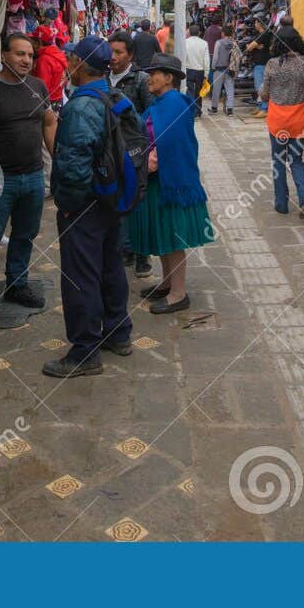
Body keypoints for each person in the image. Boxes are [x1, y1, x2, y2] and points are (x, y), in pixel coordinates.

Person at [44, 37, 135, 378]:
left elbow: (73, 163)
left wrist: (68, 204)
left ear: (80, 64)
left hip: (85, 204)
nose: (67, 63)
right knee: (110, 266)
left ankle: (84, 352)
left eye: (71, 58)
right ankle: (118, 333)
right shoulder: (115, 96)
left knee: (80, 276)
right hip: (111, 199)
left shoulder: (81, 106)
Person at [0, 33, 56, 322]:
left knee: (25, 234)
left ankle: (17, 285)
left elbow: (49, 123)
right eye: (19, 54)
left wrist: (58, 159)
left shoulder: (38, 86)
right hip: (0, 179)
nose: (26, 60)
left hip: (33, 176)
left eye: (30, 55)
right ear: (3, 56)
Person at [130, 53, 215, 312]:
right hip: (158, 180)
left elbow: (172, 141)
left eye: (154, 73)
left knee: (174, 237)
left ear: (168, 78)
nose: (149, 78)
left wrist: (152, 158)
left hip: (172, 181)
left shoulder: (175, 103)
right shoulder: (160, 103)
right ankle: (167, 283)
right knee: (164, 233)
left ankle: (179, 294)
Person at [259, 26, 304, 216]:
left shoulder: (272, 64)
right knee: (296, 159)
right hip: (300, 119)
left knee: (278, 161)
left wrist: (268, 94)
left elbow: (264, 94)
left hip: (278, 120)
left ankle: (281, 204)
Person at [107, 31, 153, 277]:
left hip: (136, 153)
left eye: (119, 52)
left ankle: (142, 255)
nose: (113, 57)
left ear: (130, 55)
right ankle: (125, 249)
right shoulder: (103, 78)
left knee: (138, 204)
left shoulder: (141, 80)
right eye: (110, 52)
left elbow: (150, 117)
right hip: (111, 153)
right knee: (118, 201)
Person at [244, 16, 276, 113]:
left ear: (259, 24)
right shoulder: (264, 34)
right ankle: (260, 106)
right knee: (260, 86)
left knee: (260, 86)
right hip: (262, 63)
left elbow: (249, 47)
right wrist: (257, 46)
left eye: (256, 22)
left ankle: (264, 108)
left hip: (261, 63)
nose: (255, 24)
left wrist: (254, 46)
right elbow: (250, 46)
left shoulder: (263, 34)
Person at [33, 25, 67, 106]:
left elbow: (42, 88)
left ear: (39, 42)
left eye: (33, 41)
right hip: (57, 99)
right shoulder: (57, 54)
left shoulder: (44, 59)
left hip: (47, 103)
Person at [209, 27, 240, 115]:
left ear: (223, 33)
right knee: (230, 89)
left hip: (219, 69)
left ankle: (214, 108)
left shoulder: (218, 42)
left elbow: (215, 57)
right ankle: (230, 109)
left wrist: (213, 67)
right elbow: (238, 56)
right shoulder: (234, 43)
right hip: (230, 69)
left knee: (216, 89)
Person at [182, 23, 210, 115]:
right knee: (198, 91)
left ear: (189, 32)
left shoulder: (185, 42)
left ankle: (191, 110)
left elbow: (183, 57)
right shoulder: (204, 43)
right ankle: (198, 110)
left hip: (188, 69)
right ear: (199, 33)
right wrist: (206, 73)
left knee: (189, 91)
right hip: (200, 71)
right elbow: (206, 60)